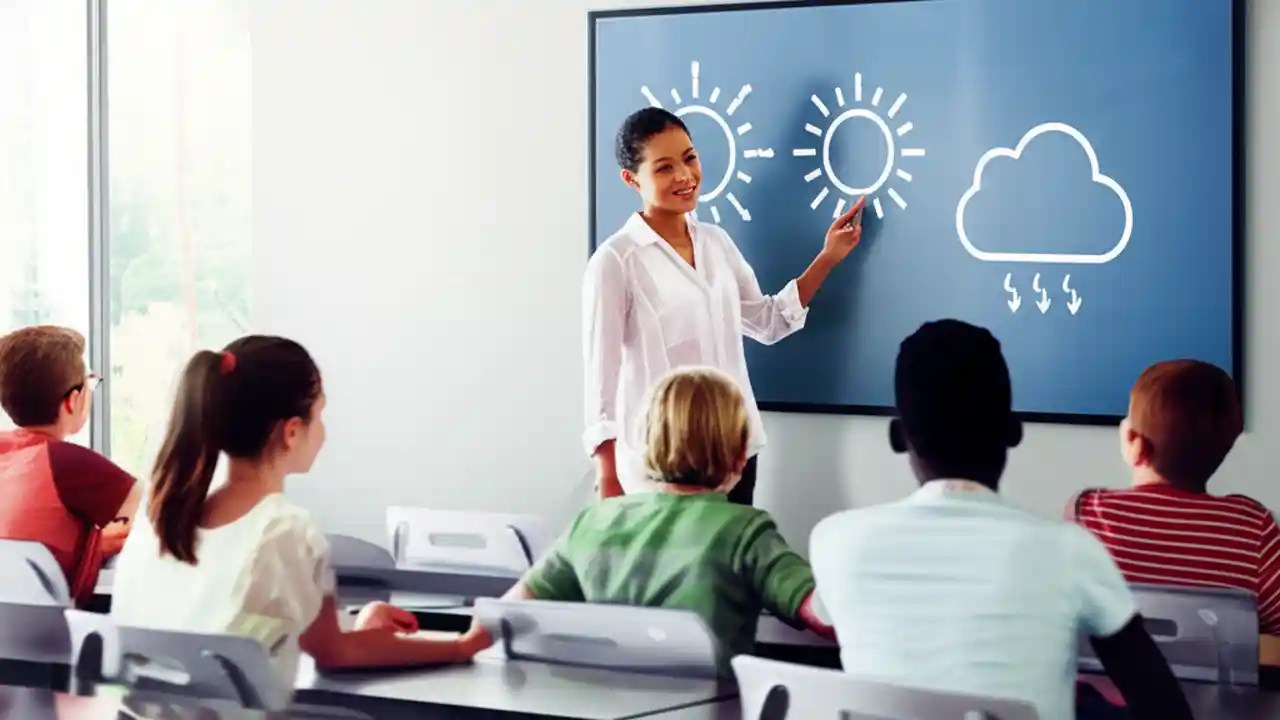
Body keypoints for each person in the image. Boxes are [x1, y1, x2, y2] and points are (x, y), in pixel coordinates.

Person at [809, 320, 1191, 720]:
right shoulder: (1070, 551)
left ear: (899, 437)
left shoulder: (835, 542)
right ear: (1013, 431)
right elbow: (1166, 710)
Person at [111, 336, 486, 684]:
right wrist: (462, 645)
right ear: (291, 431)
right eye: (319, 415)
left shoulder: (159, 517)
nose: (323, 432)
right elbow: (334, 654)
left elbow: (237, 623)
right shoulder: (285, 529)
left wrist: (361, 629)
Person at [465, 367, 831, 676]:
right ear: (739, 454)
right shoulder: (746, 532)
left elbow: (498, 618)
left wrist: (459, 645)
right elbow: (824, 615)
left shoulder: (594, 521)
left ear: (647, 442)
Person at [584, 107, 866, 504]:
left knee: (734, 547)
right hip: (662, 463)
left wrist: (828, 258)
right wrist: (607, 477)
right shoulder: (617, 260)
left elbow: (768, 322)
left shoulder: (716, 243)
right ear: (632, 179)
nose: (685, 176)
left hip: (735, 452)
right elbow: (601, 380)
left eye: (689, 158)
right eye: (664, 168)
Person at [1070, 359, 1280, 672]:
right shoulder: (1252, 529)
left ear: (1133, 443)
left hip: (1104, 699)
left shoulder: (1087, 514)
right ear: (1230, 442)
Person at [0, 326, 139, 604]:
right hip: (48, 628)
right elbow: (160, 514)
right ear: (73, 401)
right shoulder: (66, 462)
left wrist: (91, 546)